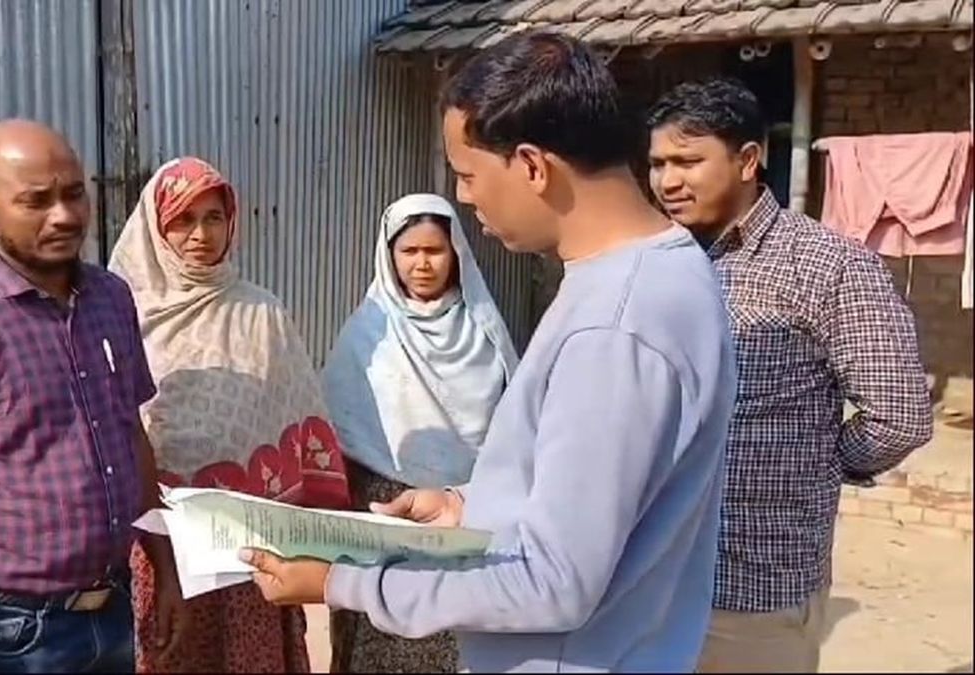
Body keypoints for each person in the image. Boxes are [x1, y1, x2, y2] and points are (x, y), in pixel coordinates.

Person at [240, 32, 738, 673]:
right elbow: (603, 492)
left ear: (533, 166)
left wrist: (343, 581)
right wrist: (471, 505)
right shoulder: (662, 273)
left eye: (469, 175)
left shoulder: (615, 326)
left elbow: (552, 580)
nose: (466, 197)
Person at [646, 79, 933, 673]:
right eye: (657, 163)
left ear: (749, 160)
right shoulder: (655, 261)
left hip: (755, 591)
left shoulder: (829, 266)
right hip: (650, 579)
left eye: (688, 161)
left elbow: (899, 414)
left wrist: (810, 462)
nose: (668, 181)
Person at [0, 119, 180, 673]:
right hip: (11, 635)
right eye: (35, 201)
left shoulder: (111, 299)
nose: (64, 215)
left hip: (112, 611)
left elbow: (131, 434)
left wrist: (164, 568)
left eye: (73, 193)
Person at [107, 156, 351, 673]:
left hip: (247, 546)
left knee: (249, 656)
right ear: (156, 228)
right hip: (160, 541)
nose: (201, 234)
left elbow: (295, 407)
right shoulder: (124, 312)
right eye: (183, 219)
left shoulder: (261, 312)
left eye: (213, 217)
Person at [322, 193, 518, 673]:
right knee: (380, 637)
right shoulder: (366, 334)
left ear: (456, 255)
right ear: (389, 256)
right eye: (409, 252)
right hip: (383, 508)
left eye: (435, 251)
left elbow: (513, 429)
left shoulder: (484, 333)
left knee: (452, 637)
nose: (422, 264)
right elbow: (338, 432)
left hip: (466, 513)